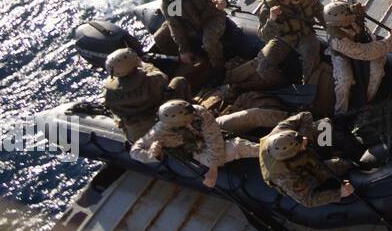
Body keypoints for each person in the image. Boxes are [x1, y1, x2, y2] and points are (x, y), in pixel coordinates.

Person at [130, 100, 259, 188]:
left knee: (252, 115)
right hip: (199, 151)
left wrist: (213, 169)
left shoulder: (196, 111)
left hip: (215, 131)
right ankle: (266, 151)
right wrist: (152, 154)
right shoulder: (159, 131)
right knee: (238, 147)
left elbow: (213, 137)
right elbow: (134, 151)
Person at [323, 0, 392, 115]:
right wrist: (390, 39)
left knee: (377, 72)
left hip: (362, 40)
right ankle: (341, 112)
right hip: (344, 53)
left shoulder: (344, 7)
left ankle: (367, 100)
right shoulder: (339, 40)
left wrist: (355, 5)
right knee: (344, 80)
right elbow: (368, 52)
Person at [259, 111, 355, 208]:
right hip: (304, 172)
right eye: (301, 145)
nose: (303, 142)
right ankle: (353, 164)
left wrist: (305, 136)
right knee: (339, 165)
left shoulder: (281, 130)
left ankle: (328, 152)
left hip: (306, 155)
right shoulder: (284, 176)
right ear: (293, 155)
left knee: (325, 124)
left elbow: (305, 115)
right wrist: (339, 194)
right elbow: (308, 200)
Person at [102, 48, 191, 142]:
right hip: (163, 120)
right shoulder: (151, 80)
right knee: (179, 81)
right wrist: (143, 64)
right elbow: (163, 77)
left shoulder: (108, 93)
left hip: (137, 135)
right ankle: (191, 109)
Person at [154, 0, 229, 74]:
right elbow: (175, 25)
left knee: (209, 42)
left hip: (212, 17)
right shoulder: (169, 1)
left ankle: (219, 68)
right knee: (160, 37)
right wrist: (183, 49)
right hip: (190, 23)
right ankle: (190, 61)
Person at [254, 0, 324, 87]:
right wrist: (273, 19)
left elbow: (320, 11)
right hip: (282, 38)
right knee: (264, 65)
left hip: (305, 34)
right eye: (283, 0)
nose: (287, 3)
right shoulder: (268, 7)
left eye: (294, 0)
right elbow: (263, 36)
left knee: (311, 57)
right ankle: (283, 86)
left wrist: (332, 29)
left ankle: (308, 86)